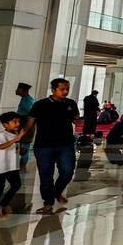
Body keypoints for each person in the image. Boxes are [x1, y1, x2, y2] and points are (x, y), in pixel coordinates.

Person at [23, 77, 80, 214]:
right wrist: (23, 140)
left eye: (67, 89)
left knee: (67, 172)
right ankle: (48, 202)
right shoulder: (40, 104)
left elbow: (76, 121)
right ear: (53, 89)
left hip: (66, 144)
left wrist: (84, 121)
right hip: (44, 145)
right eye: (62, 89)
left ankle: (56, 192)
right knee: (45, 175)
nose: (65, 92)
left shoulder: (71, 103)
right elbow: (30, 124)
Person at [0, 111, 25, 219]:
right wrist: (16, 139)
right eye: (14, 122)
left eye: (18, 121)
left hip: (12, 166)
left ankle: (4, 203)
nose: (18, 124)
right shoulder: (1, 135)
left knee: (16, 184)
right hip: (0, 167)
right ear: (5, 125)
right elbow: (1, 146)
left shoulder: (15, 134)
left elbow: (15, 148)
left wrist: (21, 148)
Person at [15, 81, 35, 171]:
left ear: (24, 91)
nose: (16, 91)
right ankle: (21, 165)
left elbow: (32, 114)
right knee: (22, 145)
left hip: (26, 125)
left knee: (24, 146)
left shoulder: (27, 100)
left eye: (18, 89)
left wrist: (25, 129)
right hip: (22, 124)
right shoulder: (25, 99)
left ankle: (23, 166)